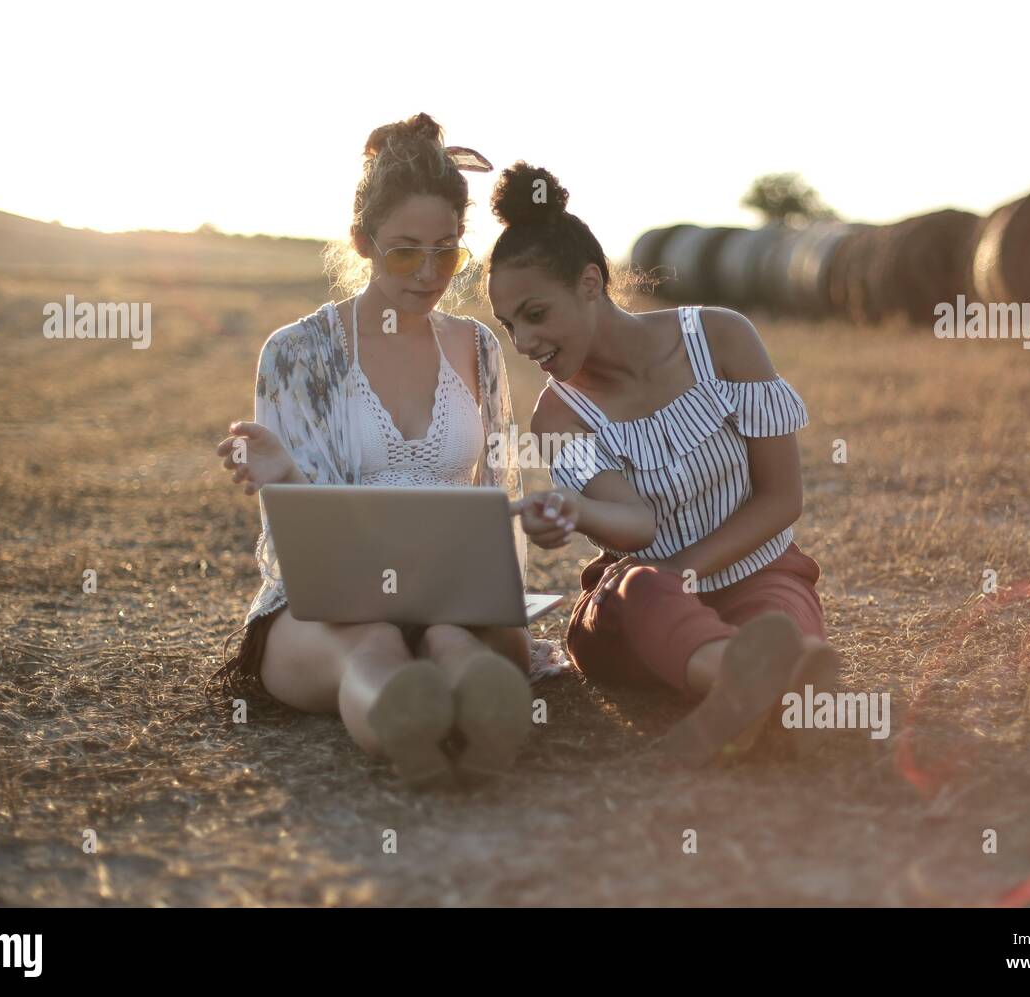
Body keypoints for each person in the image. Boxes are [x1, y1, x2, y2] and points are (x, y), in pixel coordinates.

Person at [209, 116, 563, 789]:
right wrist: (283, 476)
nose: (429, 274)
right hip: (331, 608)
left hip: (455, 599)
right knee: (368, 640)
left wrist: (524, 521)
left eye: (447, 252)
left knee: (452, 635)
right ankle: (407, 717)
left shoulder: (477, 348)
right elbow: (299, 555)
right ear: (362, 241)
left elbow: (495, 493)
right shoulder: (297, 353)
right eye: (405, 251)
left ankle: (479, 703)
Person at [489, 162, 841, 764]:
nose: (522, 343)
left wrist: (692, 569)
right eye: (509, 325)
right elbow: (639, 528)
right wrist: (578, 510)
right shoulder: (558, 416)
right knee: (643, 582)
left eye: (536, 314)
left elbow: (781, 499)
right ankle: (753, 689)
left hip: (760, 576)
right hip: (639, 612)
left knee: (783, 631)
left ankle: (750, 694)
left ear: (591, 284)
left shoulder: (722, 340)